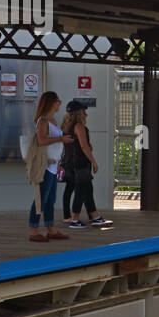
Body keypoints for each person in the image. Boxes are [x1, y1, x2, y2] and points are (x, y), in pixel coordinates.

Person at [26, 92, 73, 242]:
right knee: (41, 198)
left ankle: (50, 228)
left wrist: (59, 164)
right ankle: (33, 230)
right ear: (52, 103)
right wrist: (61, 138)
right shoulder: (44, 121)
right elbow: (41, 141)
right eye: (58, 101)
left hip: (52, 166)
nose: (59, 104)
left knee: (50, 199)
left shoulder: (52, 120)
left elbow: (54, 146)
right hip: (44, 166)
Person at [62, 101, 109, 229]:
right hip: (81, 164)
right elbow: (84, 146)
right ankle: (75, 220)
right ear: (78, 113)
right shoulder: (79, 126)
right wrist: (94, 161)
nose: (86, 114)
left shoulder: (67, 126)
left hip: (71, 164)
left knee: (88, 190)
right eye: (84, 112)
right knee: (81, 192)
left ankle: (95, 217)